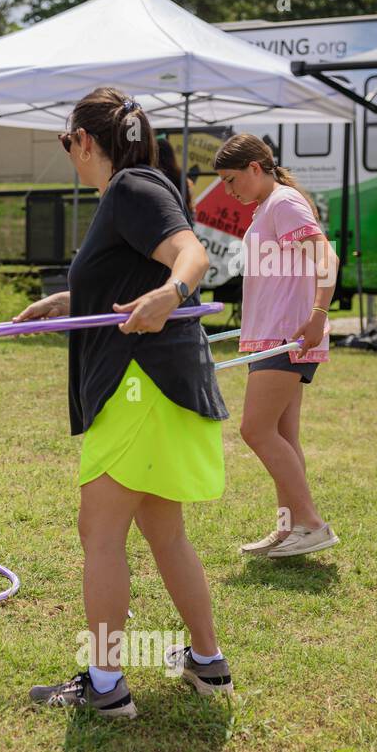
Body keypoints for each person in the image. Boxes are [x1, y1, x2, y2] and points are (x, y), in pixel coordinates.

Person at [18, 87, 234, 718]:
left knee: (100, 531)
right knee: (165, 532)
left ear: (85, 140)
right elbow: (131, 277)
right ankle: (206, 662)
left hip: (140, 388)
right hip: (161, 387)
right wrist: (69, 303)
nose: (69, 154)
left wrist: (171, 294)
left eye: (66, 143)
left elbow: (188, 254)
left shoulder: (133, 189)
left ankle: (106, 686)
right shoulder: (138, 188)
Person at [213, 134, 340, 557]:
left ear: (255, 168)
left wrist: (318, 315)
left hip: (289, 336)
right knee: (283, 433)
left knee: (256, 429)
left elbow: (328, 258)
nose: (231, 193)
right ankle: (290, 528)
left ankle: (312, 523)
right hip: (273, 337)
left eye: (232, 181)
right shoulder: (270, 206)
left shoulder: (283, 202)